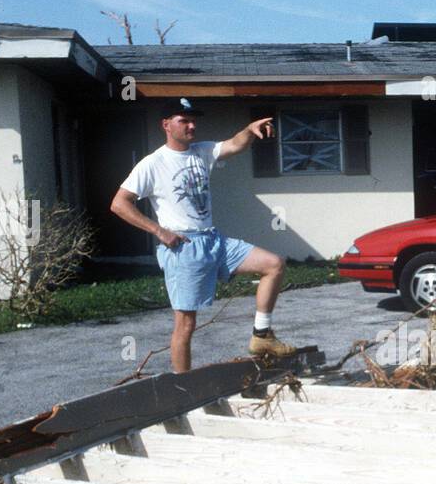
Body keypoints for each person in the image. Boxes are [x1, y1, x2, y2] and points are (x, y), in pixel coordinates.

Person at [110, 97, 297, 373]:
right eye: (183, 120)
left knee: (273, 264)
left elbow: (234, 143)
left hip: (213, 240)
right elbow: (119, 203)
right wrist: (159, 231)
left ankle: (261, 336)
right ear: (166, 125)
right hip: (183, 247)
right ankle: (183, 386)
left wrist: (249, 130)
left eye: (193, 120)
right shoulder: (153, 163)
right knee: (185, 325)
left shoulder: (202, 151)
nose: (191, 125)